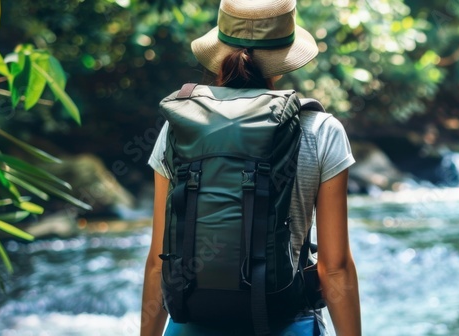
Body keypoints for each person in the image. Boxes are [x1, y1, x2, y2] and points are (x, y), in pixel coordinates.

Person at [139, 1, 362, 335]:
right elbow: (335, 268)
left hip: (191, 324)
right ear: (282, 61)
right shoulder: (320, 130)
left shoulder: (179, 127)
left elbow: (158, 262)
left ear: (218, 51)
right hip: (287, 323)